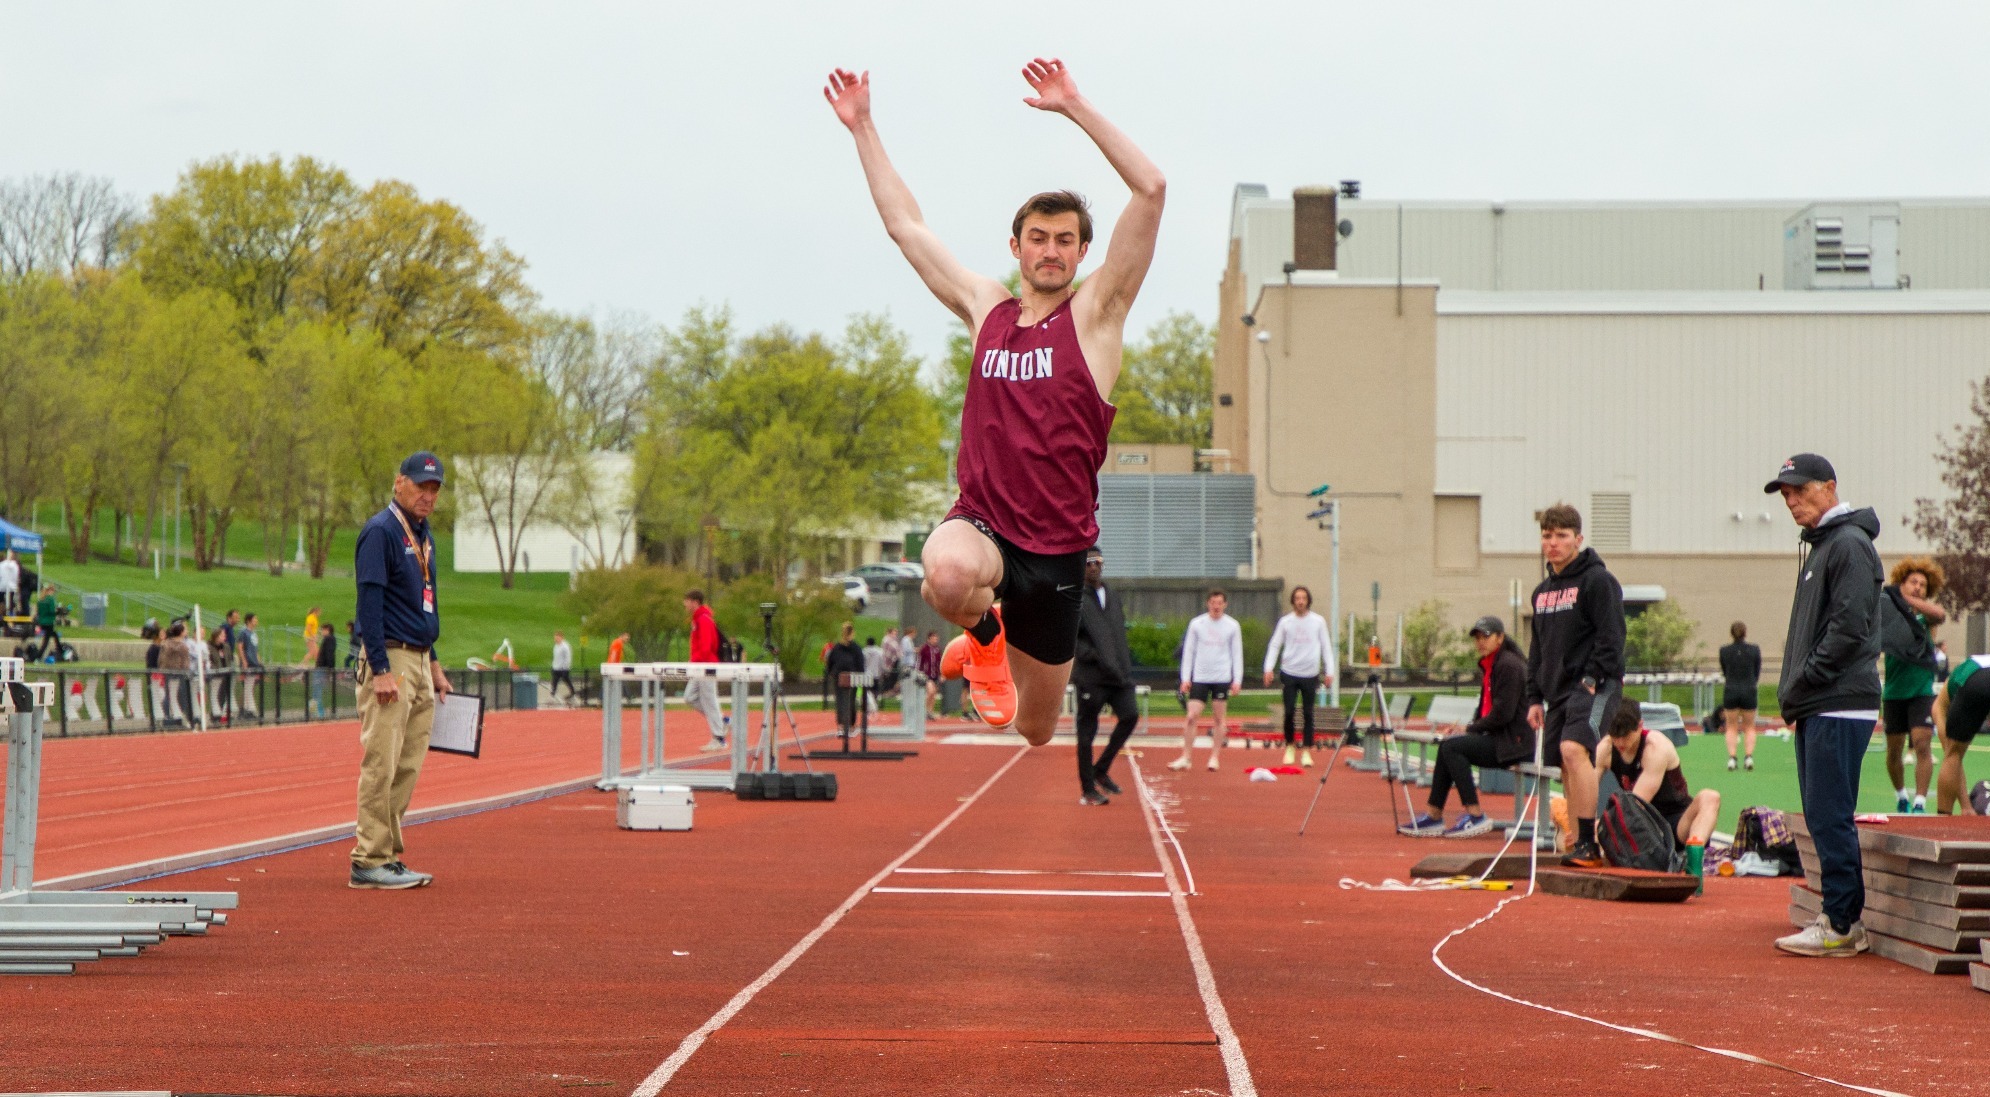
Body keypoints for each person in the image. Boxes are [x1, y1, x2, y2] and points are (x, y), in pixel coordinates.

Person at [826, 58, 1164, 746]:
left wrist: (1075, 106)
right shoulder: (987, 308)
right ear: (1016, 246)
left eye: (1064, 239)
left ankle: (994, 634)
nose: (1050, 250)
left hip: (1059, 550)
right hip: (983, 526)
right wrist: (863, 126)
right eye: (1037, 238)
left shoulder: (1097, 315)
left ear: (1080, 251)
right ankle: (983, 630)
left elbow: (1151, 189)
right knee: (944, 574)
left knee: (1034, 730)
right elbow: (907, 228)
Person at [1765, 453, 1881, 957]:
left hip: (1838, 702)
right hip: (1822, 702)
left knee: (1830, 813)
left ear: (1829, 487)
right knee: (1821, 812)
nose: (1791, 500)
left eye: (1800, 490)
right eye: (1786, 494)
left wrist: (1802, 683)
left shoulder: (1849, 545)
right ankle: (1839, 914)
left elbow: (1849, 630)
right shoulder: (1824, 546)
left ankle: (1841, 922)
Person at [349, 451, 452, 891]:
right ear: (399, 483)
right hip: (389, 657)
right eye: (421, 486)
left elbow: (420, 604)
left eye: (434, 489)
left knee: (407, 764)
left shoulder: (423, 536)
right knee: (383, 762)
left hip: (418, 658)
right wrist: (381, 668)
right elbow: (369, 606)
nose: (428, 496)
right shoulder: (382, 532)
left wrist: (433, 660)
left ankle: (387, 853)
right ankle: (368, 857)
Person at [1524, 503, 1625, 869]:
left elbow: (1612, 638)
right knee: (1565, 765)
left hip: (1595, 685)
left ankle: (1589, 842)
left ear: (1578, 539)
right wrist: (1534, 696)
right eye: (1547, 536)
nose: (1553, 543)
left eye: (1561, 536)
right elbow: (1538, 649)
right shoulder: (1542, 592)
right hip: (1556, 692)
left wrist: (1590, 679)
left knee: (1573, 749)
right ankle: (1575, 841)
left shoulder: (1598, 581)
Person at [1400, 617, 1531, 838]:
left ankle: (1475, 814)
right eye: (1477, 638)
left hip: (1514, 744)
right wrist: (1466, 728)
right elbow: (1485, 711)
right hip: (1501, 739)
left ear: (1500, 638)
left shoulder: (1508, 665)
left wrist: (1470, 729)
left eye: (1486, 636)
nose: (1481, 642)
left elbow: (1503, 714)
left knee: (1453, 748)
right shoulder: (1492, 664)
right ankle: (1433, 815)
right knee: (1448, 745)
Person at [1595, 692, 1721, 849]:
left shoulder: (1655, 748)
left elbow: (1635, 806)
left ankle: (1694, 856)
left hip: (1677, 824)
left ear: (1640, 726)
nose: (1620, 742)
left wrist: (1602, 825)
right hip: (1642, 828)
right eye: (1615, 736)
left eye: (1626, 736)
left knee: (1710, 797)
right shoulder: (1606, 748)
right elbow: (1587, 789)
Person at [1071, 546, 1139, 805]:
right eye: (1087, 563)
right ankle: (1088, 789)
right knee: (1087, 732)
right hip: (1091, 677)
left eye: (1097, 562)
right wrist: (1094, 655)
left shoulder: (1111, 593)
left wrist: (1122, 663)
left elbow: (1117, 632)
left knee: (1130, 716)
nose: (1093, 567)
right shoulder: (1075, 598)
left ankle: (1101, 769)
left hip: (1119, 675)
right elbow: (1070, 639)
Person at [1880, 558, 1946, 814]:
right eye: (1913, 582)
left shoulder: (1925, 618)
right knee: (1894, 749)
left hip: (1921, 690)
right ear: (1901, 583)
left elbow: (1939, 614)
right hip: (1894, 691)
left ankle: (1919, 802)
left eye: (1923, 585)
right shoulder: (1889, 614)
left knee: (1921, 744)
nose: (1918, 587)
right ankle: (1901, 795)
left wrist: (1906, 599)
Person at [1263, 585, 1336, 767]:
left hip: (1310, 674)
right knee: (1289, 712)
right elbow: (1274, 645)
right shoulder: (1286, 622)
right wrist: (1268, 668)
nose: (1300, 601)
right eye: (1297, 598)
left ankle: (1306, 751)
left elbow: (1326, 646)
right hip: (1289, 672)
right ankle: (1289, 745)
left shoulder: (1318, 621)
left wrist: (1330, 671)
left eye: (1303, 598)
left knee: (1309, 713)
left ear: (1308, 600)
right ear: (1293, 601)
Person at [1173, 590, 1244, 772]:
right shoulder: (1197, 624)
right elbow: (1189, 651)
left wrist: (1237, 679)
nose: (1216, 606)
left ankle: (1214, 757)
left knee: (1219, 719)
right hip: (1201, 677)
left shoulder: (1232, 626)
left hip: (1221, 677)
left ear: (1225, 604)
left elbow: (1237, 653)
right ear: (1208, 603)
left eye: (1219, 602)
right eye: (1213, 602)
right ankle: (1186, 757)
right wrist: (1185, 678)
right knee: (1191, 717)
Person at [1935, 654, 1990, 815]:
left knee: (1953, 754)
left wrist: (1965, 806)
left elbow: (1951, 754)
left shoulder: (1941, 704)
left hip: (1976, 681)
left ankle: (1943, 819)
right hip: (1976, 679)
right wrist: (1966, 806)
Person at [682, 591, 727, 752]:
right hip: (698, 666)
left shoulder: (704, 620)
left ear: (695, 602)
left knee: (710, 700)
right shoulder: (697, 620)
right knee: (689, 697)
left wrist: (694, 662)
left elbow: (707, 646)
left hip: (706, 666)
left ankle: (719, 738)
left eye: (686, 601)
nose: (684, 604)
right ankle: (722, 721)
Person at [1718, 622, 1761, 771]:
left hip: (1731, 690)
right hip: (1749, 689)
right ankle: (1748, 757)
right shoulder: (1754, 650)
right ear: (1745, 633)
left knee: (1731, 726)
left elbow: (1724, 670)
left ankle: (1732, 758)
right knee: (1749, 726)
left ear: (1731, 634)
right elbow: (1757, 670)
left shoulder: (1724, 651)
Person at [824, 623, 866, 736]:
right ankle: (851, 726)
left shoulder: (837, 647)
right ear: (852, 633)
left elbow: (830, 661)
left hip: (839, 675)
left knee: (840, 700)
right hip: (852, 676)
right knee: (851, 700)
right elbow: (860, 662)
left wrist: (831, 672)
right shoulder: (856, 648)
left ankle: (841, 726)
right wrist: (861, 675)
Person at [159, 620, 193, 728]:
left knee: (169, 695)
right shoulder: (182, 646)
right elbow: (185, 662)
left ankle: (169, 716)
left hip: (168, 672)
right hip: (179, 674)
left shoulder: (166, 644)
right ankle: (175, 717)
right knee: (177, 696)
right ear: (181, 632)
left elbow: (161, 660)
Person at [236, 612, 263, 718]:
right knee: (248, 686)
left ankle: (247, 709)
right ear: (249, 621)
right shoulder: (244, 632)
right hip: (248, 662)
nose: (256, 621)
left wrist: (259, 661)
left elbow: (255, 649)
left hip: (254, 662)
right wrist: (244, 661)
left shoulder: (253, 633)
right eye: (254, 619)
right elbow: (240, 646)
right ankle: (247, 709)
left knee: (250, 686)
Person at [312, 622, 337, 718]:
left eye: (323, 629)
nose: (321, 631)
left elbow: (329, 654)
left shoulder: (329, 639)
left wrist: (330, 668)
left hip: (322, 668)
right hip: (322, 668)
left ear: (327, 630)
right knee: (317, 690)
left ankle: (319, 713)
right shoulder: (328, 639)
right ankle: (317, 712)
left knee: (317, 691)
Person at [918, 630, 943, 717]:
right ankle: (923, 709)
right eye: (933, 638)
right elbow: (920, 661)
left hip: (935, 674)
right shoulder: (924, 649)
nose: (935, 640)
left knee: (934, 693)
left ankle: (930, 711)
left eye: (936, 638)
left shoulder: (937, 649)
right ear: (929, 639)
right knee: (931, 691)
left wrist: (941, 674)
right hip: (926, 674)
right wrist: (919, 672)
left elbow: (939, 662)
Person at [550, 631, 575, 702]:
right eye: (555, 638)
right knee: (554, 681)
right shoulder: (556, 646)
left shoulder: (565, 646)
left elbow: (568, 658)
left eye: (557, 638)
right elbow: (556, 657)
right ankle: (553, 695)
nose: (556, 639)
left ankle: (573, 693)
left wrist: (566, 667)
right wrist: (553, 666)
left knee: (566, 680)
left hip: (563, 668)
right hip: (556, 667)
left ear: (561, 637)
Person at [0, 549, 17, 617]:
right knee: (9, 602)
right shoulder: (13, 564)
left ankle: (7, 614)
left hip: (6, 586)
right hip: (9, 586)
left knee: (6, 602)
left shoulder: (8, 565)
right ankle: (8, 613)